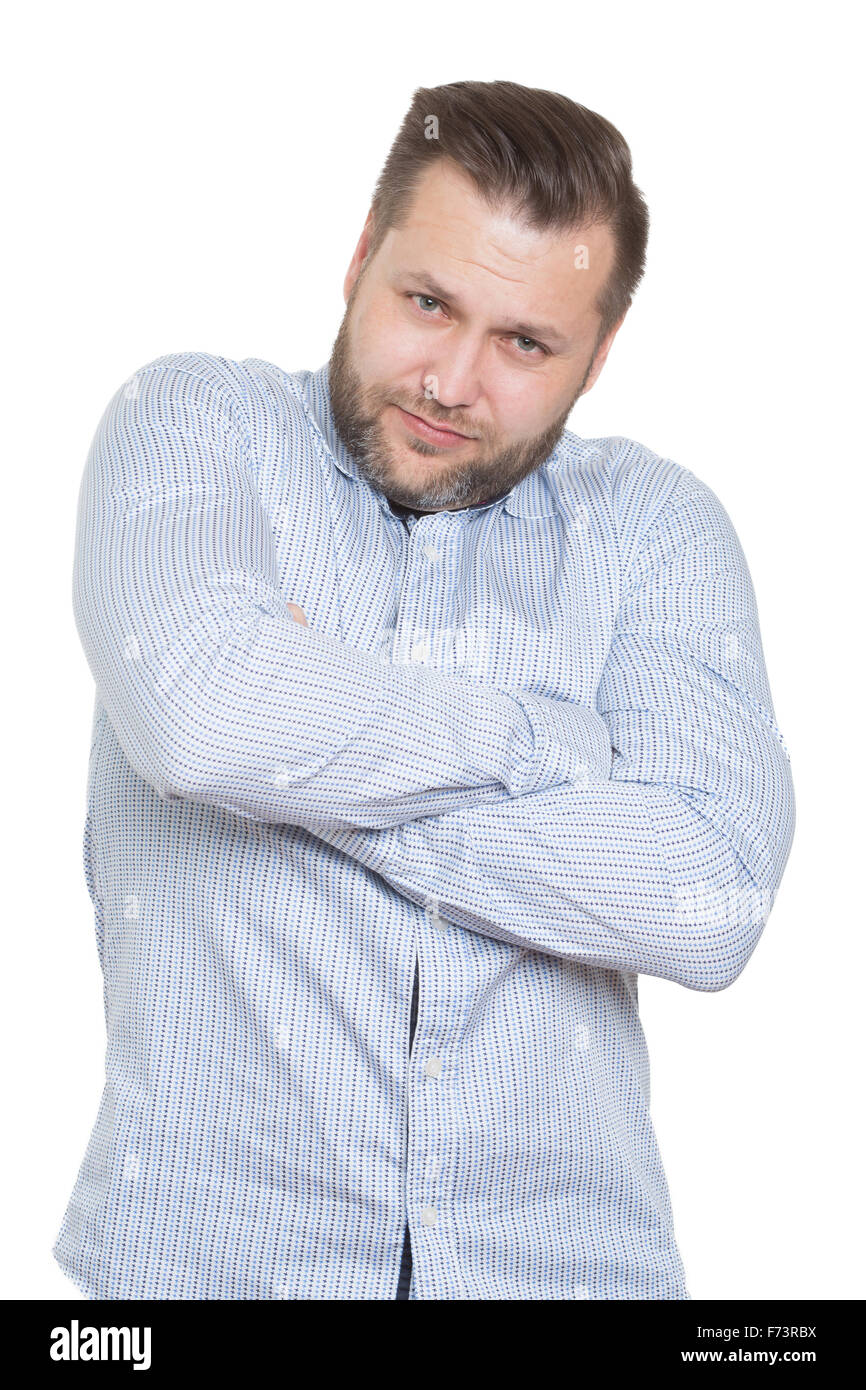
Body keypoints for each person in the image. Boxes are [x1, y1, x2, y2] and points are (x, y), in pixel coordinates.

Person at [53, 80, 795, 1301]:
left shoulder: (654, 531)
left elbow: (706, 894)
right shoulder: (191, 427)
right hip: (203, 1275)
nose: (451, 380)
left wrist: (303, 754)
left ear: (597, 355)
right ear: (358, 258)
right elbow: (202, 720)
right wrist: (555, 745)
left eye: (523, 343)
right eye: (427, 302)